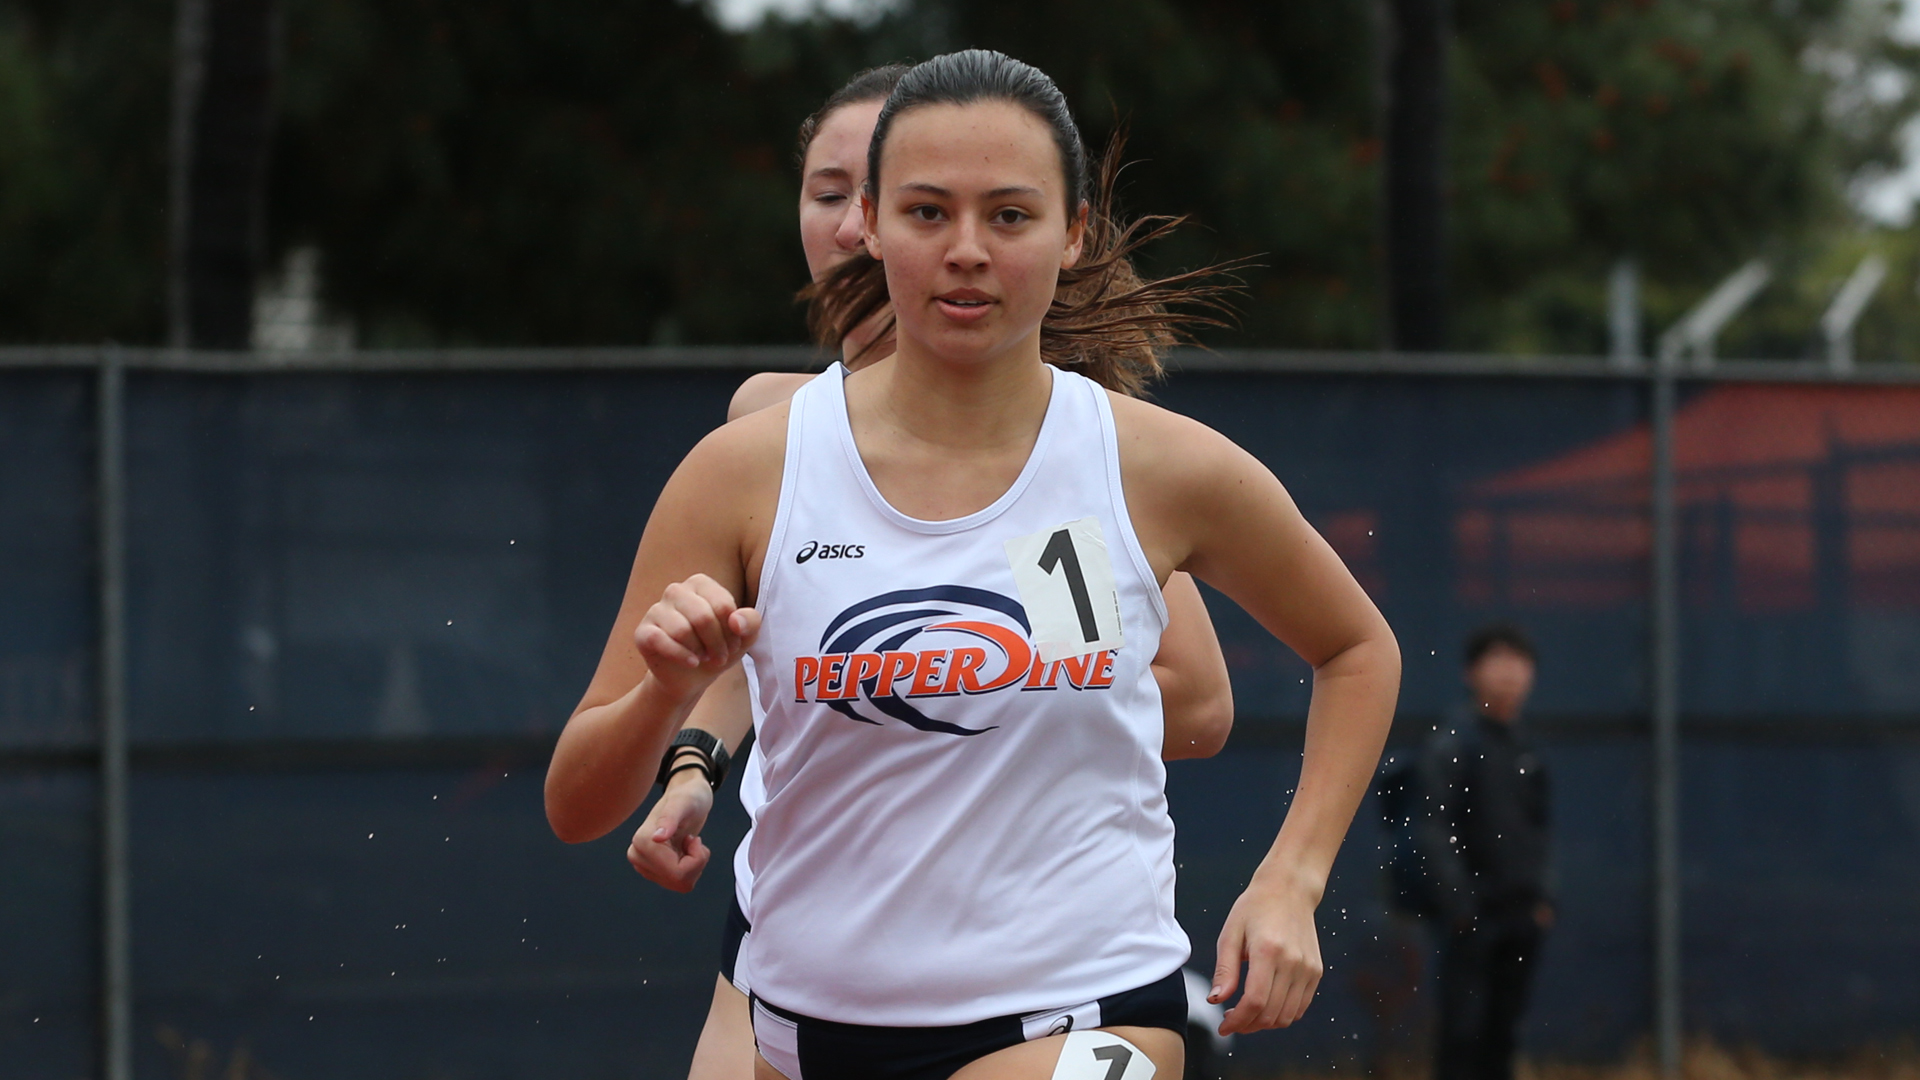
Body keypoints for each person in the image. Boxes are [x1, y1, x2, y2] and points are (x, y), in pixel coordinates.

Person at [545, 49, 1400, 1080]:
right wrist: (670, 709)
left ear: (1074, 231)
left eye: (1009, 215)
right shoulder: (750, 466)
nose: (966, 251)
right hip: (802, 1021)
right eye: (925, 213)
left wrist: (1292, 880)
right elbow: (575, 804)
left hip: (1084, 1010)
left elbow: (1350, 648)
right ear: (869, 222)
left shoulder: (1141, 469)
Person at [1417, 624, 1552, 1080]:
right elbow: (1431, 828)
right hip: (1470, 920)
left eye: (1519, 662)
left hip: (1521, 916)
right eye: (1497, 661)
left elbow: (1541, 828)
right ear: (1470, 673)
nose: (1510, 674)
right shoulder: (1452, 744)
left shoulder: (1528, 747)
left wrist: (1542, 901)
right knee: (1462, 1033)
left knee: (1504, 1032)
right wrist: (1460, 906)